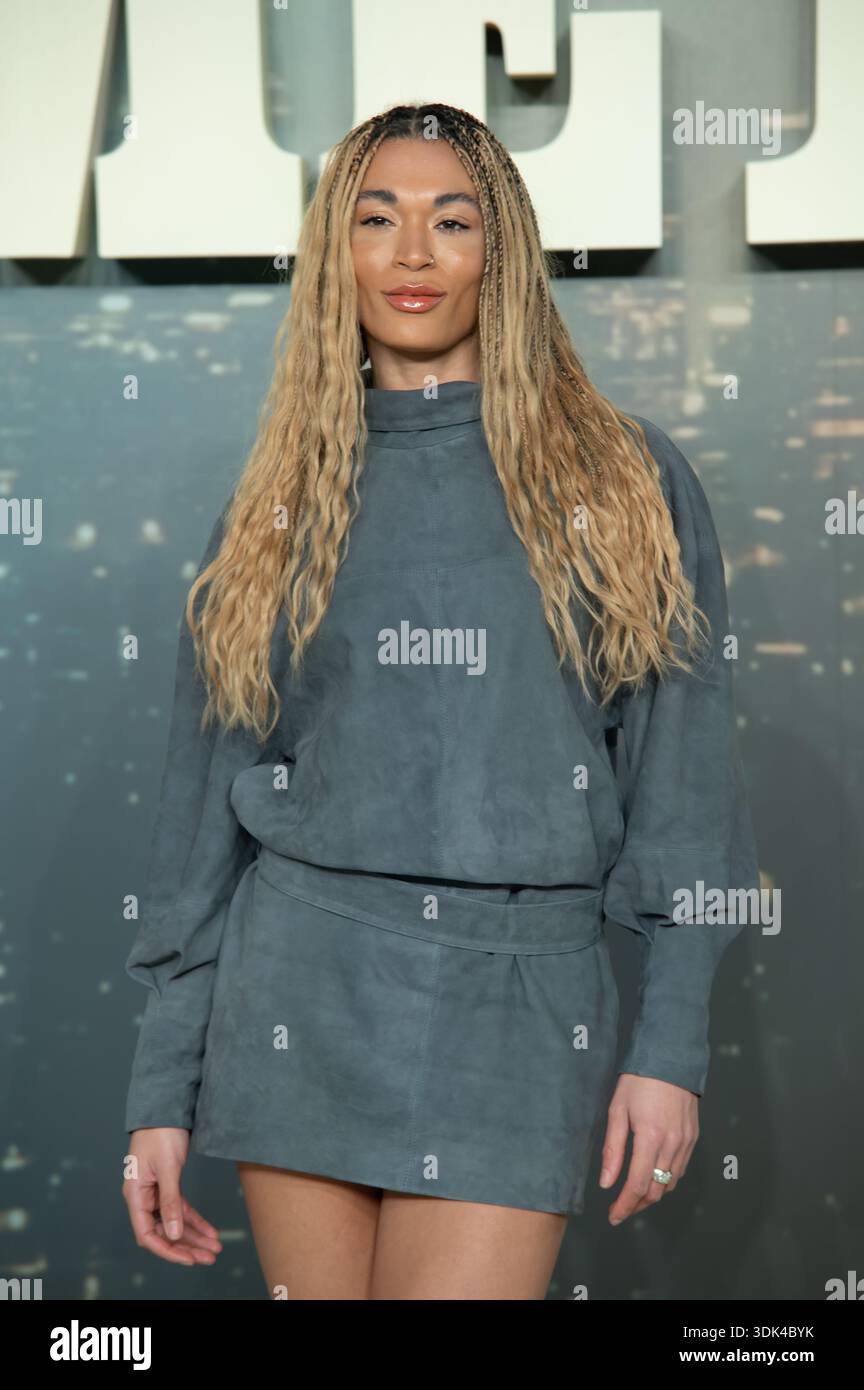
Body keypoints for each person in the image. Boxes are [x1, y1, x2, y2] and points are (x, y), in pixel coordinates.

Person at [121, 102, 760, 1301]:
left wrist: (668, 1046)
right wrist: (161, 1090)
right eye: (378, 218)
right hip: (302, 993)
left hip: (518, 1003)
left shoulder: (625, 479)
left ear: (501, 252)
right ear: (336, 255)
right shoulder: (275, 505)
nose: (413, 255)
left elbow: (683, 793)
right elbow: (202, 817)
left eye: (451, 220)